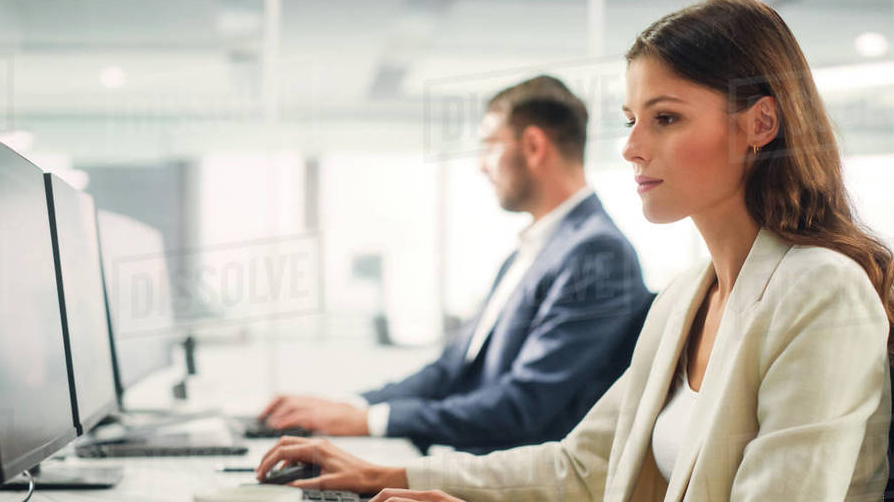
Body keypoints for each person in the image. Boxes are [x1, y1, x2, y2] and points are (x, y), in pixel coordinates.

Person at [257, 0, 894, 502]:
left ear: (760, 123)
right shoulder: (687, 295)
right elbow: (579, 463)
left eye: (664, 118)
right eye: (632, 119)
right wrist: (390, 477)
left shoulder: (823, 295)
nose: (631, 148)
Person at [259, 76, 652, 454]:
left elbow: (525, 406)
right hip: (479, 477)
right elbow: (450, 370)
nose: (481, 166)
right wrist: (349, 408)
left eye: (489, 145)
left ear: (533, 146)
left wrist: (373, 422)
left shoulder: (597, 254)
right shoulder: (529, 251)